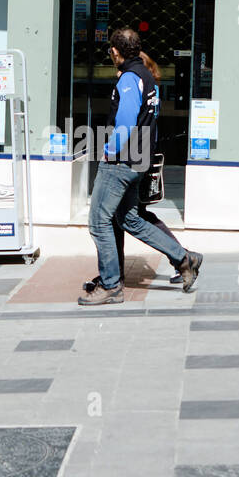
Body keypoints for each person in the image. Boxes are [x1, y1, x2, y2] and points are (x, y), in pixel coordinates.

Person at [80, 28, 203, 306]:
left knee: (99, 222)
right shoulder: (148, 77)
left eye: (111, 50)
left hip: (121, 161)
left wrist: (109, 152)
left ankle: (111, 285)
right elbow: (151, 122)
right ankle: (185, 259)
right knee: (130, 219)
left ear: (115, 51)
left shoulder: (128, 79)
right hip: (139, 160)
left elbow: (125, 124)